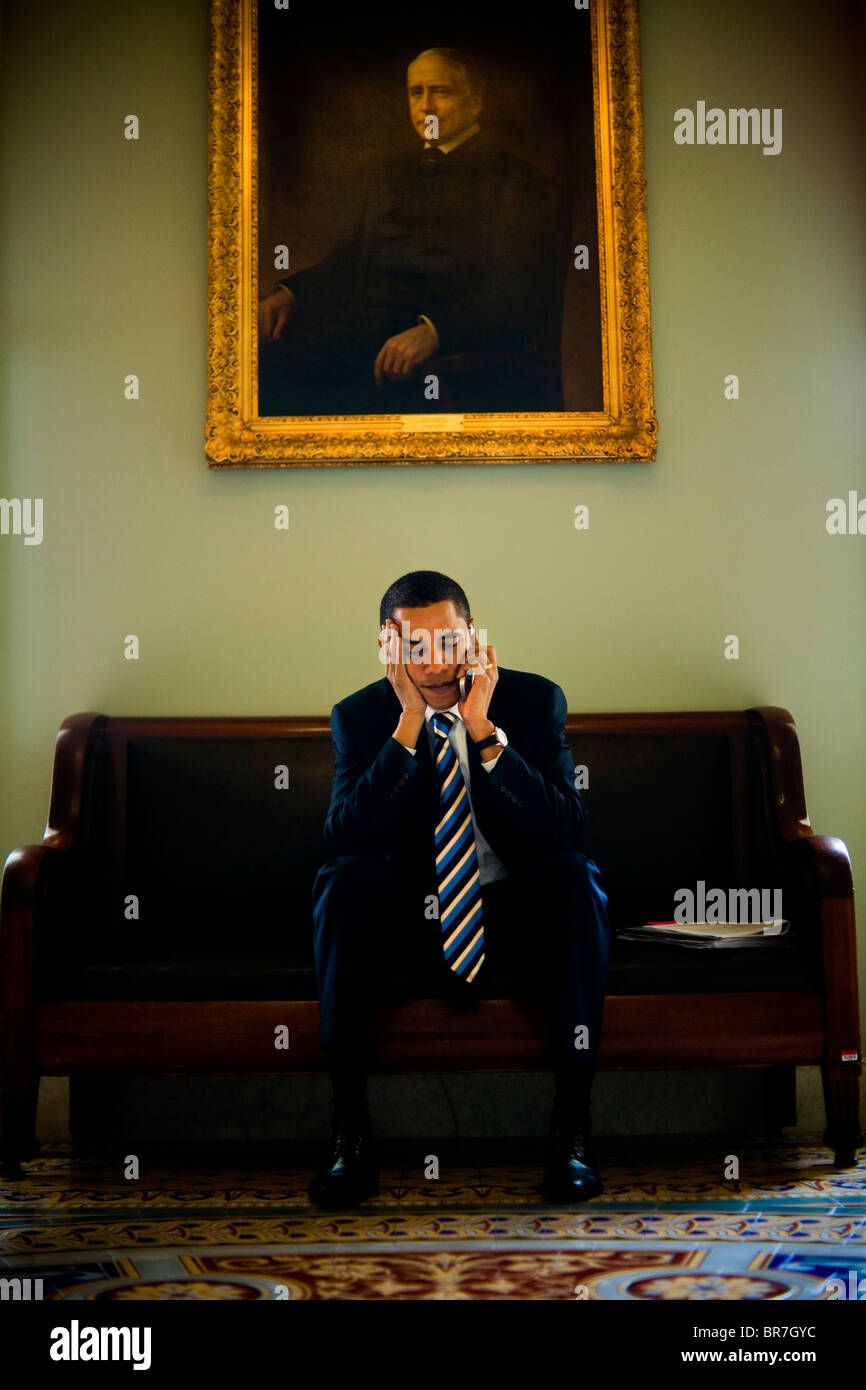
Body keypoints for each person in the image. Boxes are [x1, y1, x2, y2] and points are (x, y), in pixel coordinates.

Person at [309, 570, 611, 1206]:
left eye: (450, 641)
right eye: (416, 648)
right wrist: (409, 723)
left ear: (473, 637)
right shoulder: (361, 718)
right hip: (412, 920)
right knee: (341, 882)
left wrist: (482, 733)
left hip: (510, 914)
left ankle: (571, 1134)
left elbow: (566, 832)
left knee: (578, 880)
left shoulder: (533, 702)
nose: (437, 662)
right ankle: (350, 1137)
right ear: (390, 650)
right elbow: (346, 836)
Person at [258, 48, 560, 415]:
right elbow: (346, 261)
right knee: (260, 372)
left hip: (436, 361)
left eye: (442, 92)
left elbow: (521, 291)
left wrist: (435, 331)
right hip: (352, 341)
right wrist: (291, 294)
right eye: (416, 93)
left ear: (476, 103)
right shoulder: (386, 172)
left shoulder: (516, 179)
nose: (426, 105)